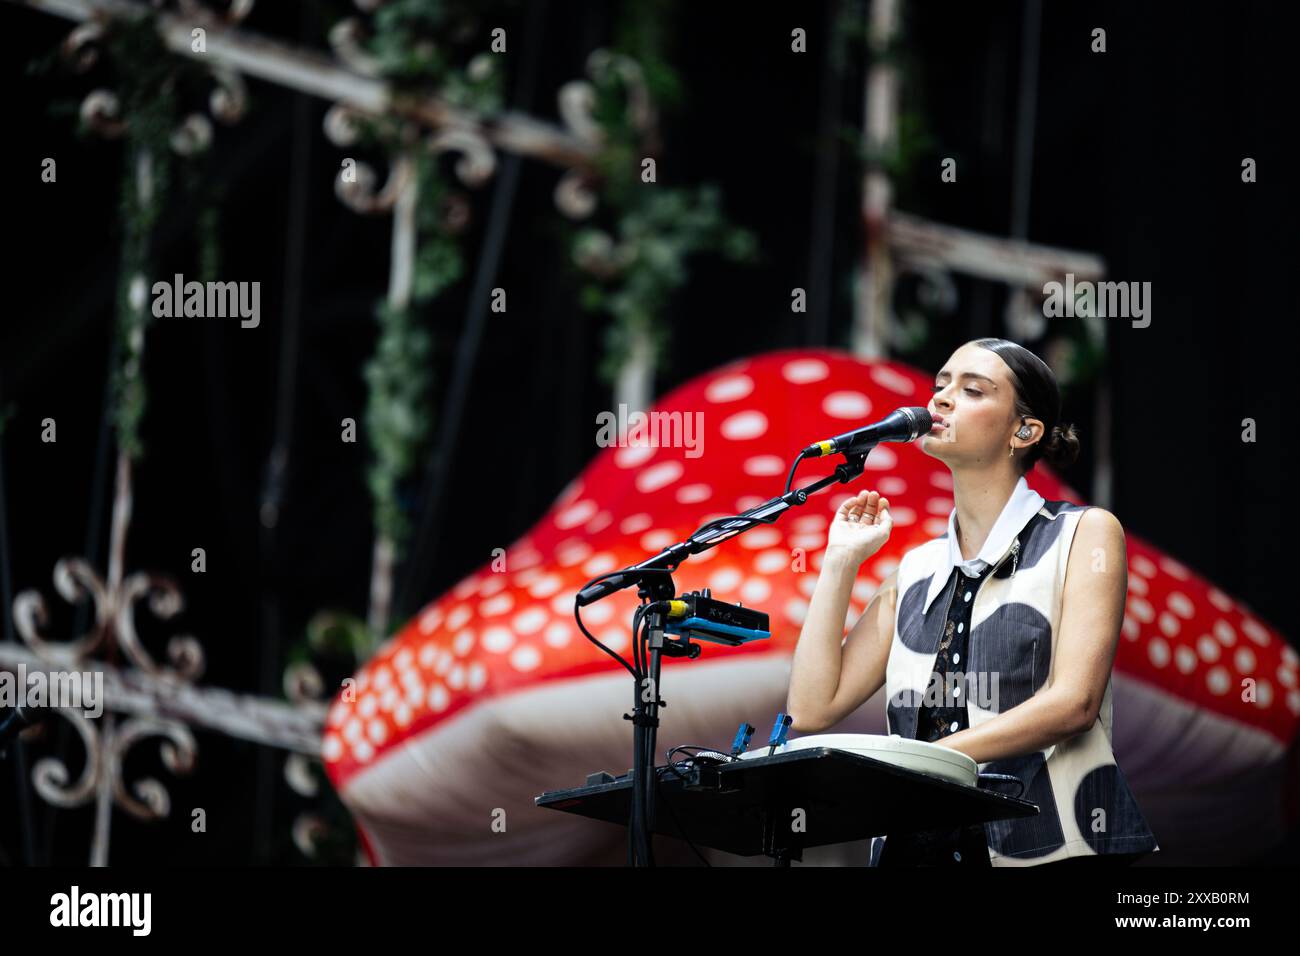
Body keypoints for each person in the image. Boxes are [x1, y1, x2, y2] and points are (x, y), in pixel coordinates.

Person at [786, 337, 1159, 867]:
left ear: (1024, 432)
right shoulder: (916, 569)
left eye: (972, 390)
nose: (940, 399)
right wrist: (841, 561)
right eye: (940, 385)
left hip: (1049, 841)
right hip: (913, 849)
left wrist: (923, 762)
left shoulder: (1084, 533)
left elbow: (1074, 702)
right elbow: (810, 706)